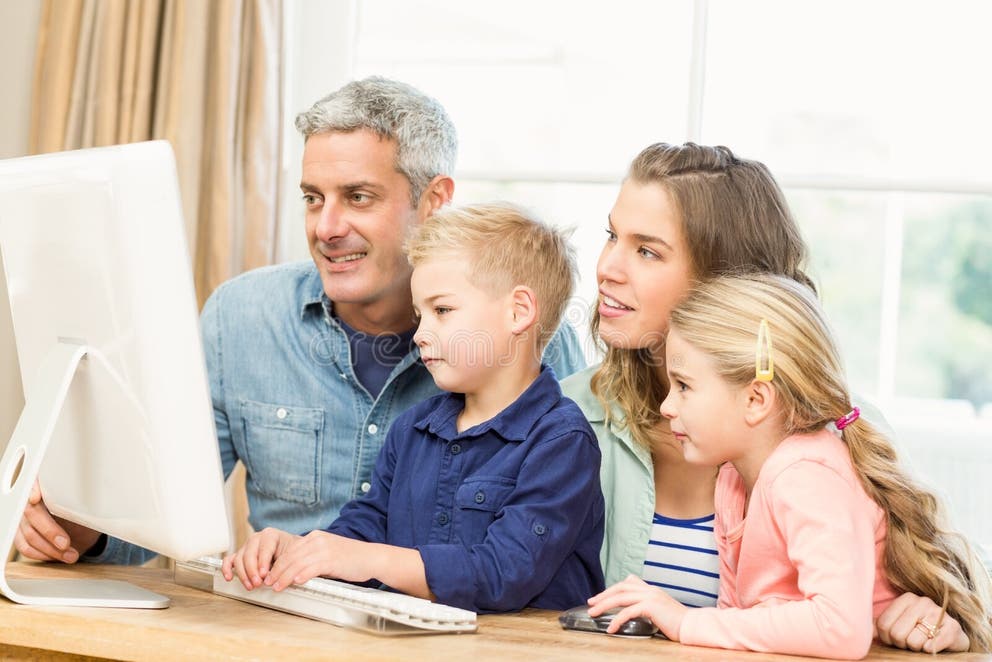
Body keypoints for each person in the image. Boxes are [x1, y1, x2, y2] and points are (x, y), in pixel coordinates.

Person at [14, 77, 585, 565]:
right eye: (313, 198)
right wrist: (80, 531)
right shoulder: (240, 318)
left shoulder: (524, 341)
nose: (326, 227)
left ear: (434, 199)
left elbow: (562, 528)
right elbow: (160, 518)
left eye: (358, 197)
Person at [560, 141, 971, 652]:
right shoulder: (567, 416)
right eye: (611, 236)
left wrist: (925, 613)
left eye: (647, 250)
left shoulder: (838, 433)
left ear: (725, 281)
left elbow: (900, 599)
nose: (607, 269)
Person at [221, 203, 605, 612]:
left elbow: (503, 572)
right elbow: (366, 529)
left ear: (518, 311)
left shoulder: (562, 442)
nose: (421, 334)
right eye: (419, 315)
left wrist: (372, 559)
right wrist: (300, 550)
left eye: (442, 311)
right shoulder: (413, 430)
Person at [586, 274, 992, 657]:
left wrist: (685, 620)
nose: (666, 406)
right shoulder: (732, 480)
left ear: (756, 400)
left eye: (685, 386)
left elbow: (840, 627)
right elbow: (736, 622)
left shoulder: (805, 475)